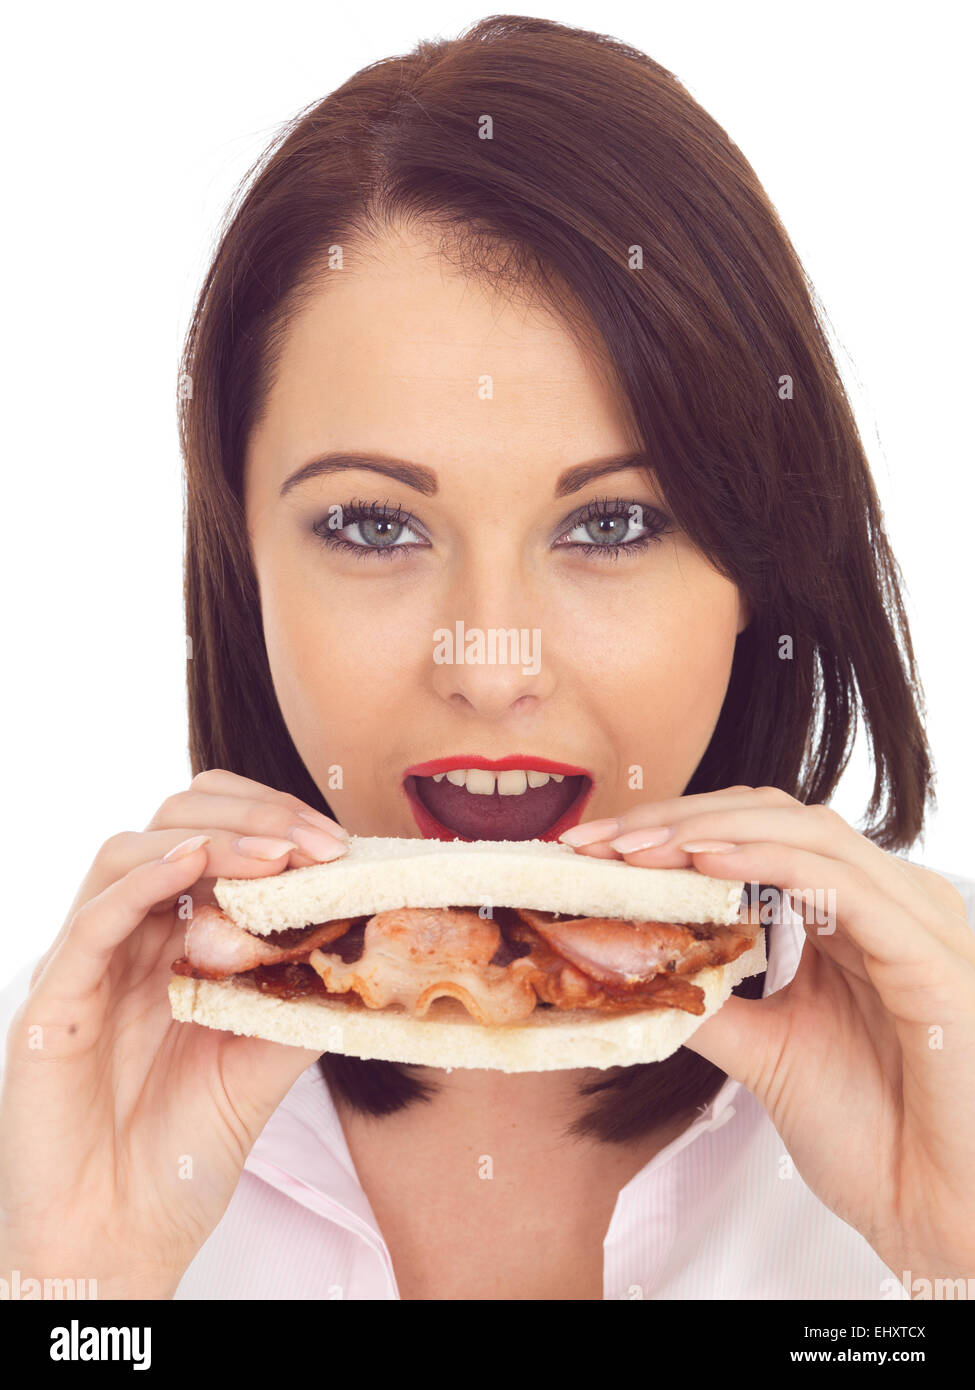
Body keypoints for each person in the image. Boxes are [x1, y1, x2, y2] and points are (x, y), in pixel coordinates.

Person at [1, 16, 973, 1301]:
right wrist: (77, 1300)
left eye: (613, 523)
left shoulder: (952, 1069)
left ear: (757, 563)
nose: (490, 660)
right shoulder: (52, 1116)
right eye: (373, 524)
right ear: (244, 563)